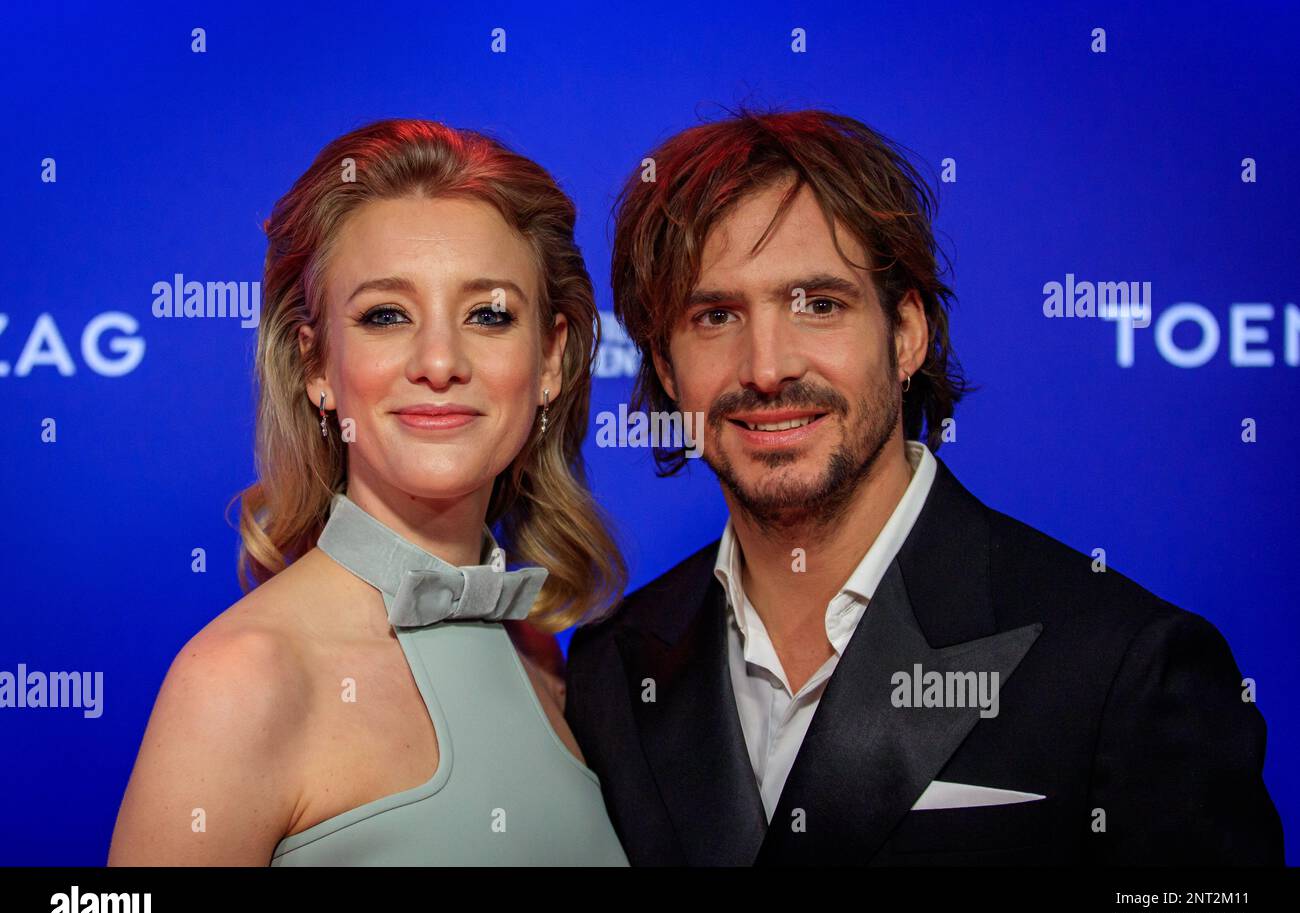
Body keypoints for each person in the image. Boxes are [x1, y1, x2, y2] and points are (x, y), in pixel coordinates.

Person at [565, 108, 1285, 865]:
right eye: (716, 315)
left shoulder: (1124, 667)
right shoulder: (612, 669)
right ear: (668, 368)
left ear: (907, 333)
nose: (768, 366)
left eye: (819, 305)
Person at [108, 118, 629, 866]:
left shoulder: (536, 654)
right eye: (386, 315)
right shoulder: (244, 678)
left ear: (550, 358)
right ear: (316, 363)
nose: (440, 360)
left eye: (488, 314)